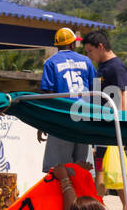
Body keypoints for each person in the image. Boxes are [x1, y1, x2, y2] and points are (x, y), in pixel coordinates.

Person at [83, 30, 127, 209]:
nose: (89, 55)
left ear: (100, 47)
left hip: (112, 123)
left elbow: (124, 92)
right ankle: (126, 208)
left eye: (90, 51)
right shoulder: (102, 66)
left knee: (103, 169)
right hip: (101, 122)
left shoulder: (116, 66)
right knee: (106, 168)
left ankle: (99, 207)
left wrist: (123, 119)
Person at [40, 27, 99, 171]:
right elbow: (96, 89)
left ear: (57, 46)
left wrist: (43, 123)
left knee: (58, 170)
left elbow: (47, 95)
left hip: (62, 120)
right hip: (84, 119)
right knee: (82, 169)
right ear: (72, 45)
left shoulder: (50, 63)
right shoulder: (86, 61)